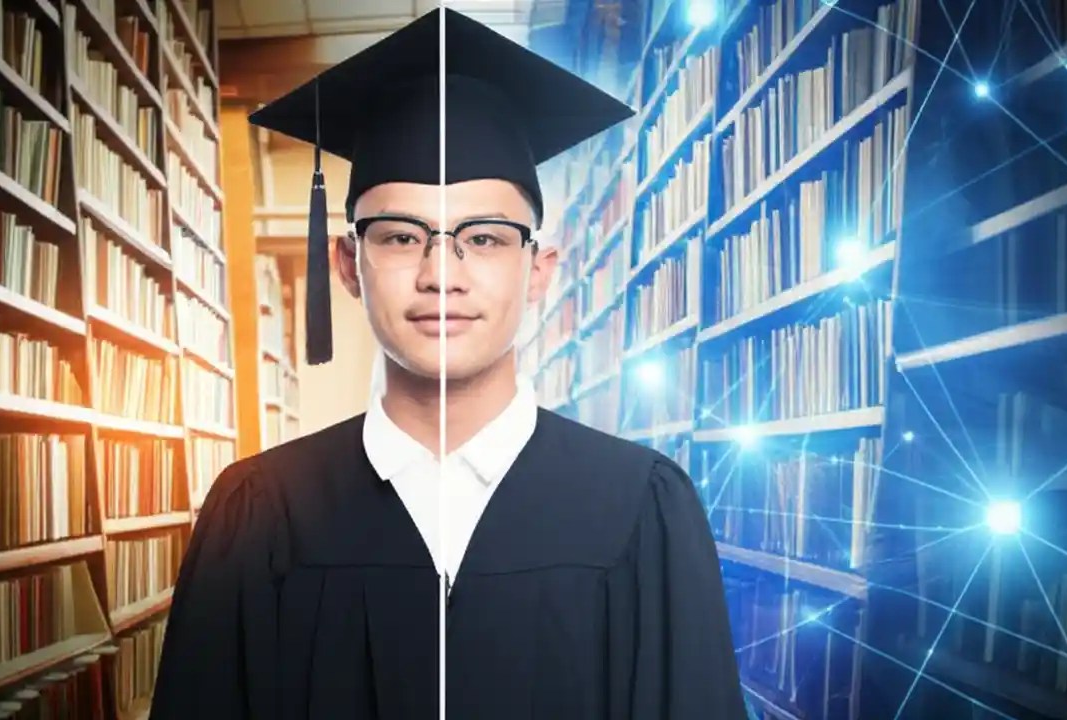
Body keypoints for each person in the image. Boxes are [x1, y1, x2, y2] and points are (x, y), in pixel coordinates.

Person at [149, 7, 746, 719]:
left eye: (486, 239)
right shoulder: (259, 516)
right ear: (348, 264)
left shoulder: (640, 508)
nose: (442, 274)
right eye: (401, 237)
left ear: (539, 269)